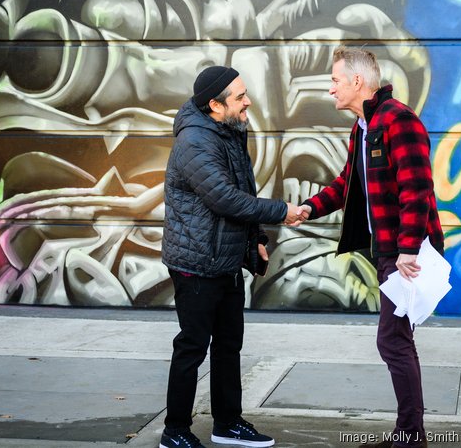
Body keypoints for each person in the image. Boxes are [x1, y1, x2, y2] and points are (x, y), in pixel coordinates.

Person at [298, 46, 444, 448]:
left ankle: (410, 439)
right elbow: (348, 183)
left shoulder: (400, 122)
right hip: (387, 250)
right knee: (398, 339)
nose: (331, 89)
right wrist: (309, 208)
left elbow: (417, 189)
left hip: (405, 254)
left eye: (334, 80)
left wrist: (409, 250)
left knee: (392, 340)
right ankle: (408, 435)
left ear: (357, 82)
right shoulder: (363, 127)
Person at [161, 65, 305, 448]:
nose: (248, 102)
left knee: (228, 345)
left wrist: (255, 239)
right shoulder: (195, 141)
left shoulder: (228, 132)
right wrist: (280, 212)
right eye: (240, 97)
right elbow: (223, 198)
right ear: (214, 104)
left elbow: (242, 188)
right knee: (192, 346)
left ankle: (227, 424)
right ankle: (174, 432)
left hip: (222, 260)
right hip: (195, 262)